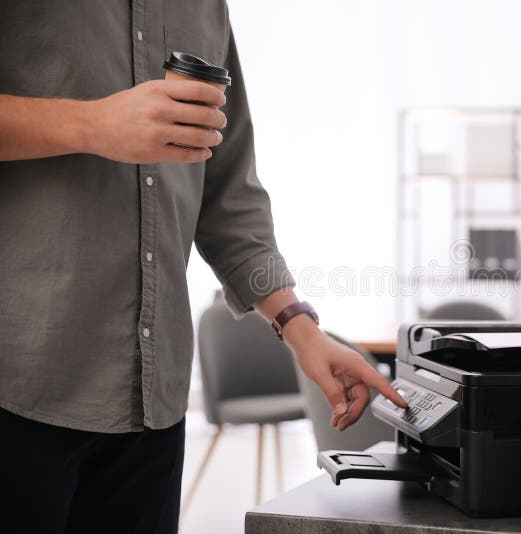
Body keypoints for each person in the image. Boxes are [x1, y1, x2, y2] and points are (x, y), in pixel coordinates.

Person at [0, 3, 406, 533]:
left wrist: (302, 329)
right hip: (17, 389)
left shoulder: (205, 8)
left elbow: (228, 196)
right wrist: (91, 123)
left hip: (153, 406)